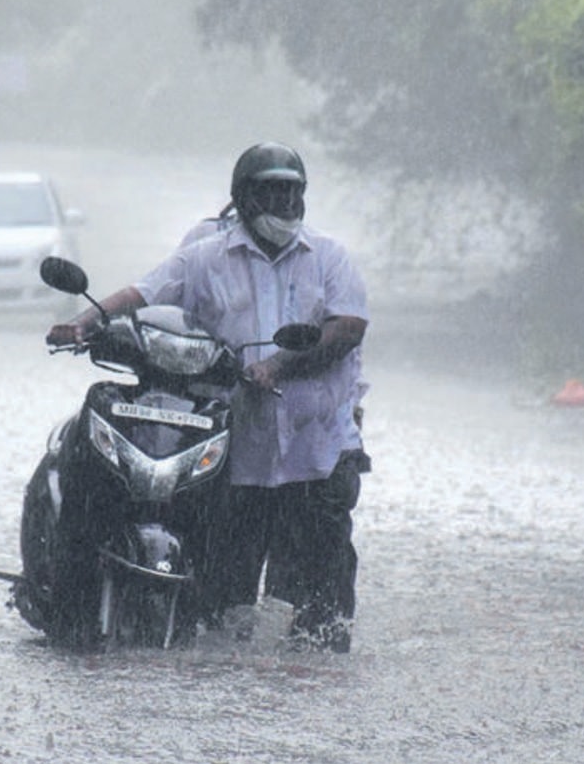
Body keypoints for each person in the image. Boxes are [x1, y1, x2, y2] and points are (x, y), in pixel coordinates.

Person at [47, 142, 370, 652]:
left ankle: (316, 703)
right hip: (236, 456)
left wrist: (279, 364)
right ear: (243, 199)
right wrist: (84, 323)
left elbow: (347, 327)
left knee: (321, 613)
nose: (285, 204)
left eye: (293, 193)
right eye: (272, 193)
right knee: (221, 606)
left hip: (318, 455)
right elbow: (143, 293)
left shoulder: (329, 258)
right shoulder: (204, 259)